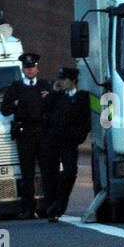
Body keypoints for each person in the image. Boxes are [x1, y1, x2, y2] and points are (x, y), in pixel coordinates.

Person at [0, 51, 50, 218]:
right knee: (27, 174)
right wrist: (16, 104)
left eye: (32, 67)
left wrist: (49, 97)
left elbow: (56, 106)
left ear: (37, 68)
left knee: (47, 171)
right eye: (27, 68)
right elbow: (5, 110)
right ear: (22, 69)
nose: (30, 70)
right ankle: (28, 208)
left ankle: (49, 206)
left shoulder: (45, 86)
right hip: (25, 133)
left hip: (42, 133)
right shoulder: (16, 88)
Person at [40, 66, 91, 222]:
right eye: (60, 79)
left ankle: (60, 203)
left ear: (73, 81)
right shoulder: (57, 96)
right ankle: (51, 206)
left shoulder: (81, 97)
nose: (61, 82)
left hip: (69, 142)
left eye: (64, 80)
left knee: (69, 172)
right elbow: (44, 107)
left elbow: (86, 121)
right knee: (50, 174)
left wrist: (78, 137)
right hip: (53, 141)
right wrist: (54, 92)